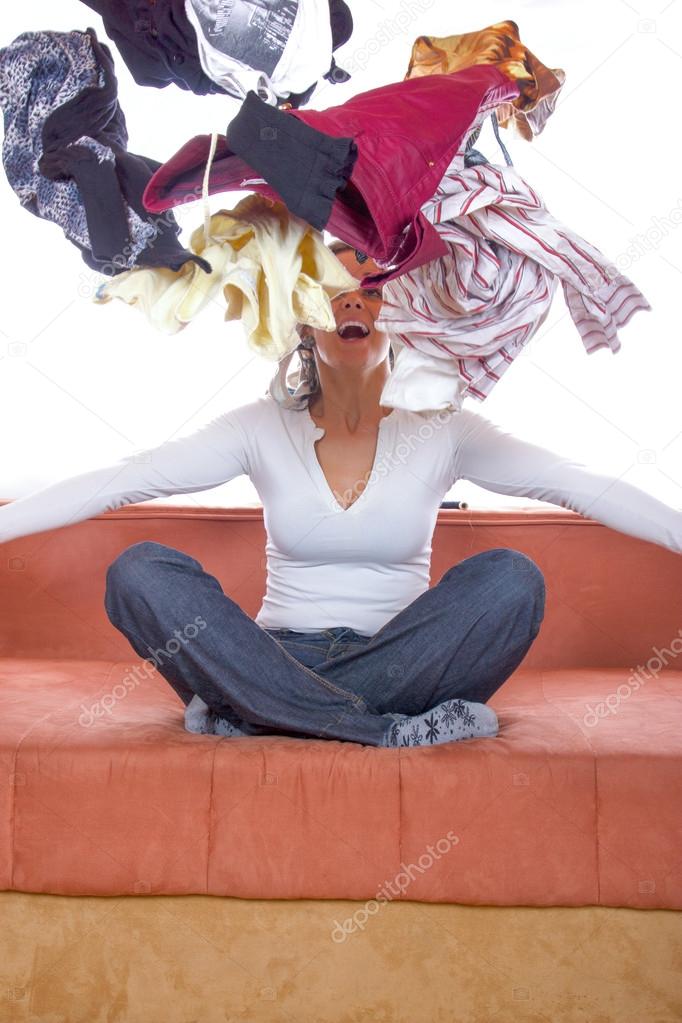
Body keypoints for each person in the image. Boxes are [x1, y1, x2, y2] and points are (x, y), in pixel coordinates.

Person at [0, 243, 680, 748]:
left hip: (406, 657)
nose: (353, 300)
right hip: (269, 654)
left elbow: (574, 481)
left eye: (373, 289)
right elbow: (124, 476)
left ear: (402, 316)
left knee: (512, 580)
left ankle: (264, 715)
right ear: (303, 321)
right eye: (332, 289)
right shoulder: (259, 427)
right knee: (140, 572)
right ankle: (379, 729)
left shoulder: (446, 429)